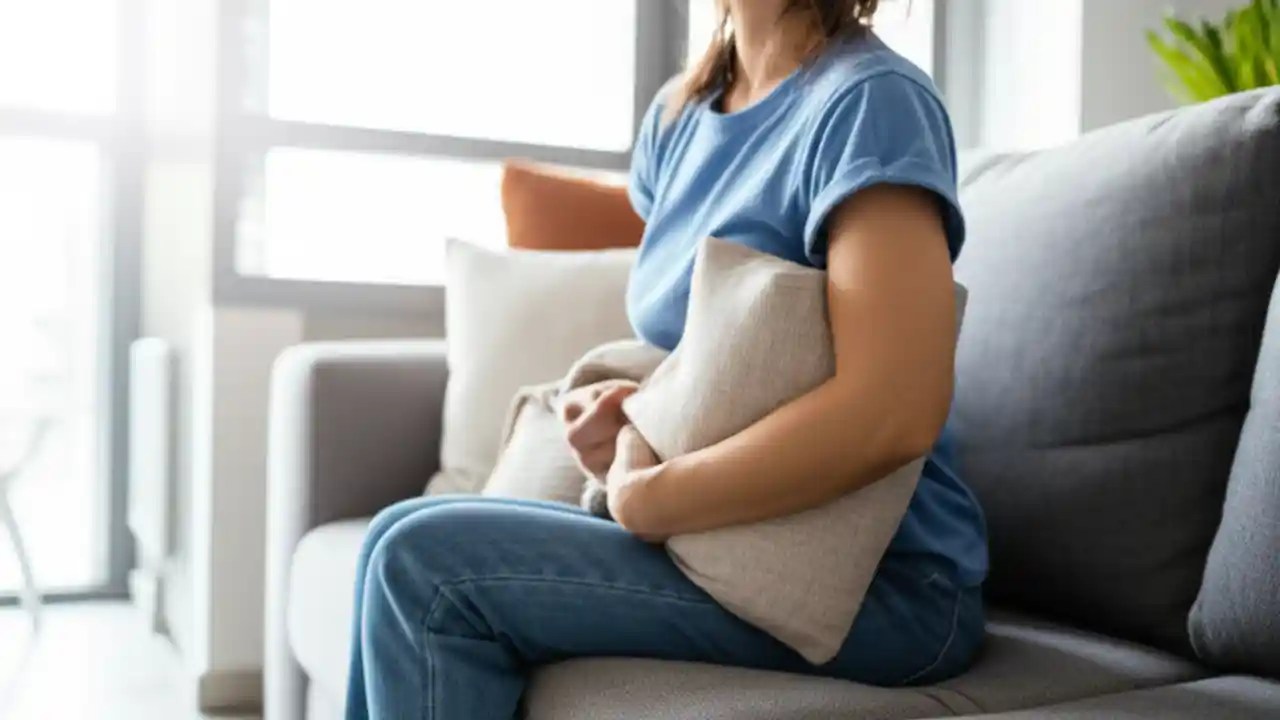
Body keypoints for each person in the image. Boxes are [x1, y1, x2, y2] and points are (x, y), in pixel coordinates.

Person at [343, 1, 989, 717]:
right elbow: (718, 358)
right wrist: (633, 414)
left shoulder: (871, 105)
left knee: (425, 567)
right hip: (718, 529)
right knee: (391, 539)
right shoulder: (680, 120)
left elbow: (893, 411)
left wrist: (653, 498)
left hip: (886, 584)